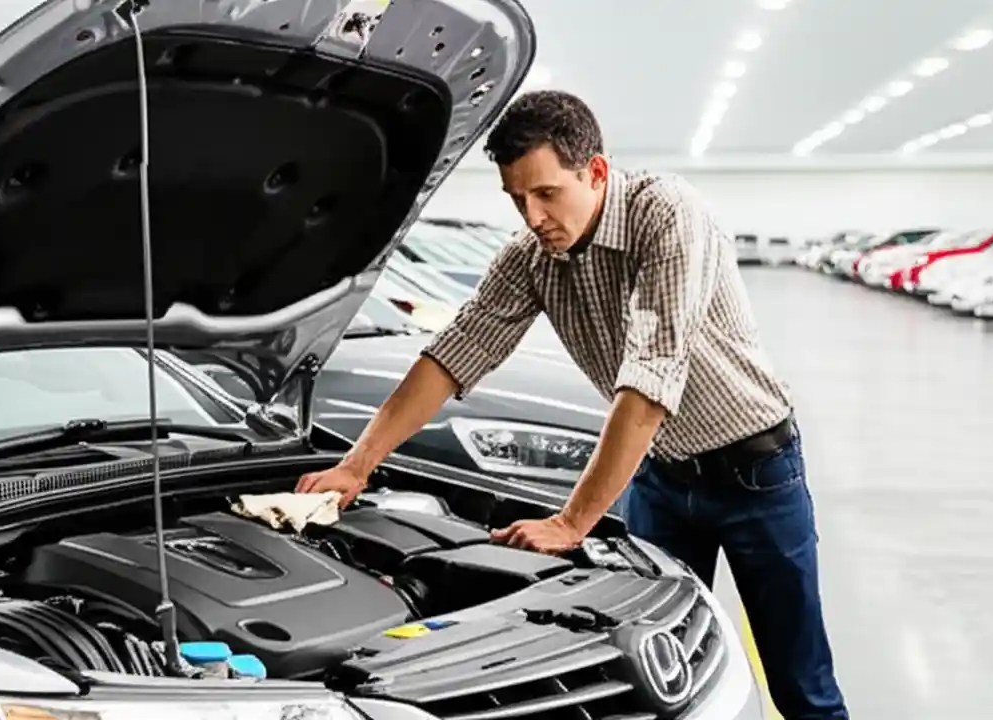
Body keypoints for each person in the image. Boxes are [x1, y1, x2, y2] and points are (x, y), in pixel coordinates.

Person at [296, 90, 847, 719]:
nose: (532, 216)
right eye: (516, 198)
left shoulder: (666, 216)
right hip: (660, 481)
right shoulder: (533, 258)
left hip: (756, 474)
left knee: (799, 683)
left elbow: (648, 382)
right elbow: (451, 356)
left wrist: (571, 522)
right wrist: (357, 465)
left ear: (597, 172)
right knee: (650, 670)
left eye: (547, 193)